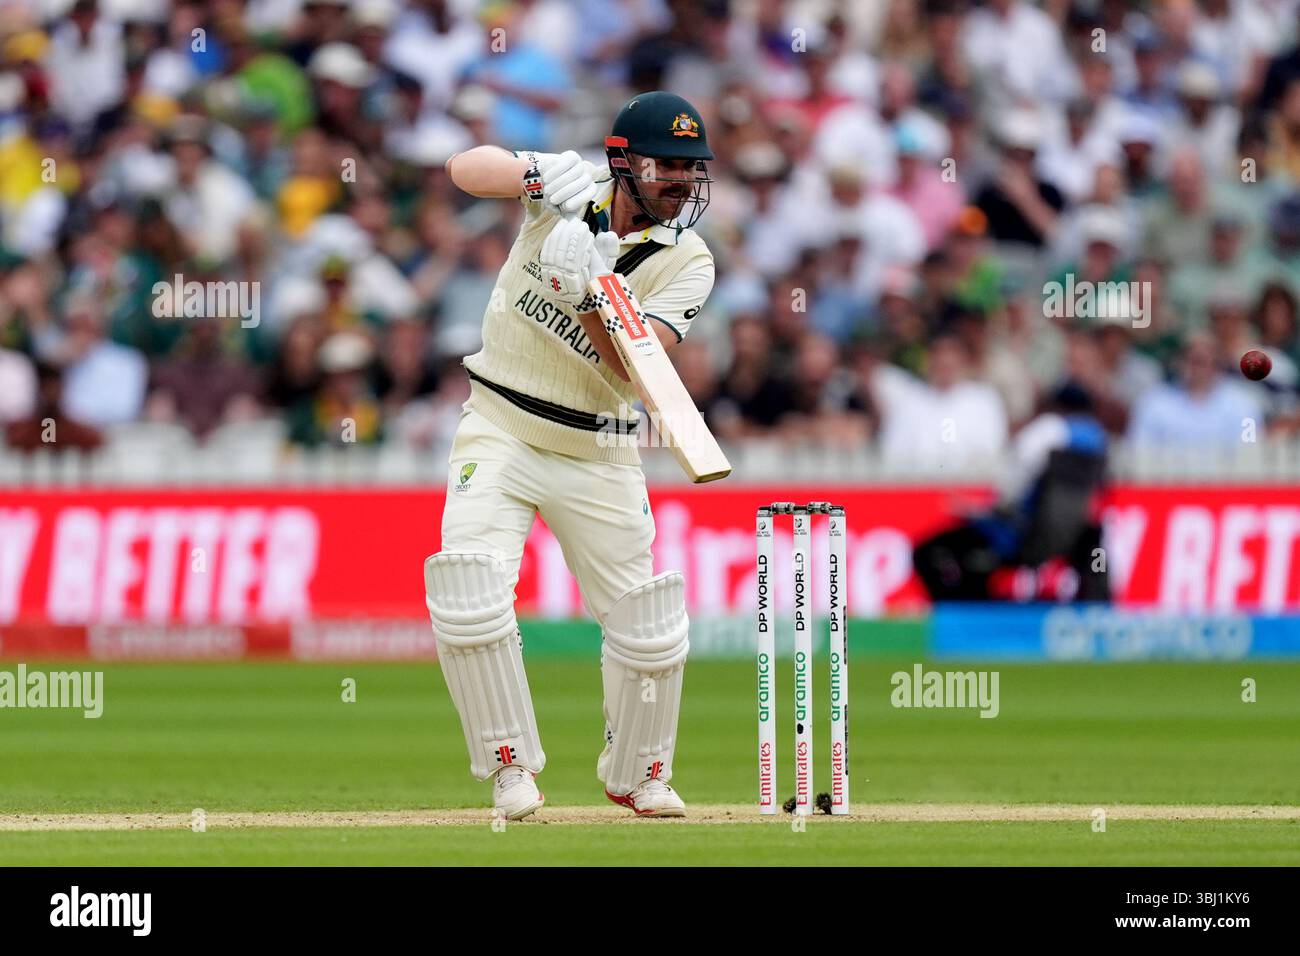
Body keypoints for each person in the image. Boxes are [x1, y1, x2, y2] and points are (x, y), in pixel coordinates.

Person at [425, 91, 715, 820]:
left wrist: (587, 292)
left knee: (647, 622)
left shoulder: (691, 260)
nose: (683, 182)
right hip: (501, 426)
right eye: (668, 165)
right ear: (623, 161)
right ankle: (508, 768)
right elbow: (463, 168)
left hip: (600, 450)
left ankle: (641, 773)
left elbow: (638, 376)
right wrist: (531, 174)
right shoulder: (570, 188)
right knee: (470, 593)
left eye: (692, 168)